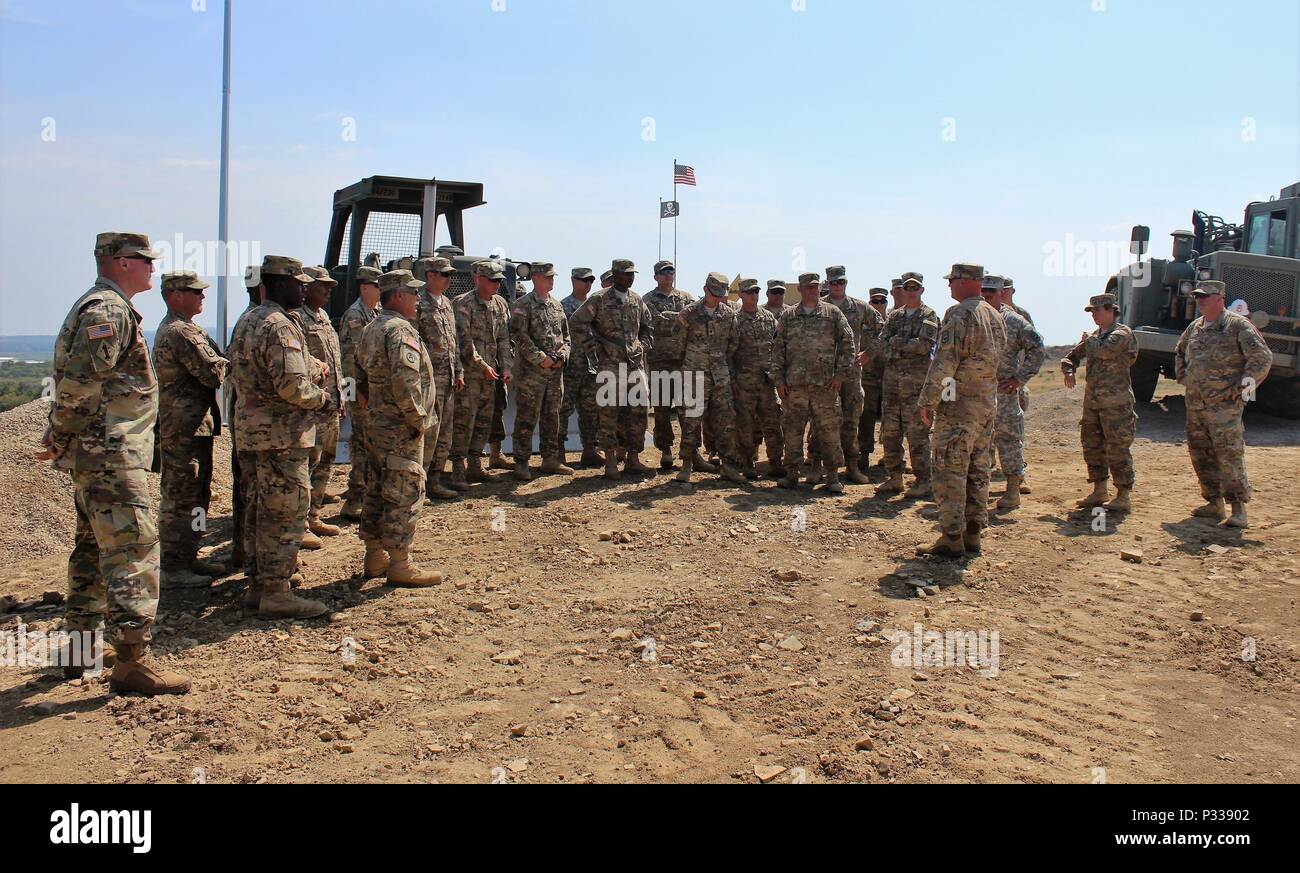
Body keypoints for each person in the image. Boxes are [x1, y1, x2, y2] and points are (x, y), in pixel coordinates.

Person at [41, 232, 190, 694]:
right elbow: (84, 381)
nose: (151, 269)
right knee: (134, 549)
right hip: (110, 452)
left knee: (91, 546)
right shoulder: (107, 309)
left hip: (97, 451)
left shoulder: (106, 306)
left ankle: (79, 647)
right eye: (143, 261)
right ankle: (133, 662)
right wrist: (60, 431)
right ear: (120, 262)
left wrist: (62, 434)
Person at [228, 255, 334, 618]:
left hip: (253, 436)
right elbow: (292, 388)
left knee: (259, 509)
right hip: (282, 437)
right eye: (298, 282)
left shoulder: (247, 320)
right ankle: (277, 590)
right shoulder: (280, 325)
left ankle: (258, 585)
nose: (305, 288)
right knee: (286, 512)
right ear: (280, 284)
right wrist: (323, 398)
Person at [354, 270, 442, 585]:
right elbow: (405, 382)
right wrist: (418, 420)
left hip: (377, 422)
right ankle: (400, 563)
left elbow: (360, 373)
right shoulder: (399, 331)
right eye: (414, 293)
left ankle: (374, 555)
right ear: (399, 295)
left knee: (377, 486)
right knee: (404, 491)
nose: (419, 299)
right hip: (400, 428)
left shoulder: (370, 329)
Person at [917, 263, 1007, 557]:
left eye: (952, 280)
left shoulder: (959, 314)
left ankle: (951, 537)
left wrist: (928, 401)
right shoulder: (995, 314)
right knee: (979, 471)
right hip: (985, 406)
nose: (949, 286)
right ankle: (973, 534)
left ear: (967, 281)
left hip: (958, 407)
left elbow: (945, 362)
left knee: (950, 469)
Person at [1174, 279, 1273, 528]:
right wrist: (1184, 377)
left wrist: (1243, 388)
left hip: (1224, 408)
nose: (1199, 301)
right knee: (1201, 454)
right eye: (1197, 297)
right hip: (1196, 405)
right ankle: (1213, 503)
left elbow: (1262, 358)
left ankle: (1238, 509)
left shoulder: (1237, 325)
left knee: (1228, 454)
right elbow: (1179, 350)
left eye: (1205, 296)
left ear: (1220, 298)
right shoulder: (1195, 327)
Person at [152, 270, 228, 589]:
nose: (202, 296)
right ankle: (172, 566)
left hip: (195, 426)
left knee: (197, 493)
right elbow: (211, 372)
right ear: (175, 295)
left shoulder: (188, 328)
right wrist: (233, 363)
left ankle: (189, 556)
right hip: (182, 428)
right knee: (181, 497)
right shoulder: (179, 332)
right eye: (194, 292)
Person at [569, 259, 655, 479]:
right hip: (609, 366)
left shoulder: (636, 299)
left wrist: (642, 346)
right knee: (608, 413)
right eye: (626, 274)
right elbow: (576, 323)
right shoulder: (599, 299)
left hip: (635, 366)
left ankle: (633, 458)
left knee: (637, 412)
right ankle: (610, 461)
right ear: (615, 275)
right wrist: (595, 348)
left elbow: (648, 327)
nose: (630, 277)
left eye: (632, 274)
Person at [772, 272, 855, 493]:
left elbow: (848, 344)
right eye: (808, 287)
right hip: (795, 387)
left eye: (816, 287)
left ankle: (832, 476)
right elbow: (778, 350)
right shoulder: (789, 316)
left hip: (825, 385)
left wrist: (841, 375)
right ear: (799, 289)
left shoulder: (833, 313)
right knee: (792, 431)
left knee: (828, 431)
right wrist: (778, 381)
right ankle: (792, 474)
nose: (812, 290)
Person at [1061, 293, 1139, 511]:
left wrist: (1089, 340)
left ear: (1110, 310)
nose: (1094, 315)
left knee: (1118, 448)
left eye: (1097, 310)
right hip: (1093, 403)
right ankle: (1099, 490)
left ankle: (1123, 495)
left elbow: (1105, 351)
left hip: (1116, 404)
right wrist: (1069, 370)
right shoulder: (1095, 336)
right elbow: (1071, 356)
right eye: (1091, 311)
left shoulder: (1122, 333)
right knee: (1092, 446)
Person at [979, 275, 1044, 510]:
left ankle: (1013, 489)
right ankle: (980, 490)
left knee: (1009, 439)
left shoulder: (1015, 321)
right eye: (983, 291)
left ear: (1001, 293)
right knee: (980, 441)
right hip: (978, 392)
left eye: (991, 292)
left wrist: (1019, 378)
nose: (986, 296)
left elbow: (1037, 348)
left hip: (1004, 392)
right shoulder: (974, 317)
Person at [674, 272, 745, 484]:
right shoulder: (688, 314)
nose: (716, 298)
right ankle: (687, 465)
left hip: (720, 376)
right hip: (694, 374)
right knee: (691, 421)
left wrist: (723, 366)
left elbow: (733, 344)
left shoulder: (729, 315)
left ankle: (728, 466)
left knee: (726, 421)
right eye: (713, 293)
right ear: (705, 289)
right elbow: (678, 344)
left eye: (720, 294)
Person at [450, 260, 513, 486]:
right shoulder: (463, 303)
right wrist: (481, 366)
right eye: (493, 280)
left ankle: (475, 465)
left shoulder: (500, 305)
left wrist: (506, 366)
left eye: (499, 281)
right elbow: (463, 342)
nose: (497, 285)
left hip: (491, 375)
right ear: (479, 279)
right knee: (464, 421)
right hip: (471, 375)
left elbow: (504, 339)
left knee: (485, 421)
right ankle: (458, 467)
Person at [877, 272, 939, 497]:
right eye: (907, 288)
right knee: (891, 433)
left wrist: (897, 342)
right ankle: (894, 478)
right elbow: (882, 343)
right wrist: (904, 344)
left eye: (915, 288)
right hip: (892, 385)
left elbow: (924, 347)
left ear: (921, 290)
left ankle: (924, 481)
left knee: (918, 435)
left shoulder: (929, 315)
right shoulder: (895, 317)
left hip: (916, 387)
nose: (911, 291)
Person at [820, 265, 883, 485]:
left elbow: (883, 329)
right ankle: (820, 467)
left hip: (852, 374)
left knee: (851, 420)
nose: (838, 286)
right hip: (825, 375)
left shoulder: (859, 307)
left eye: (842, 282)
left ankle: (852, 466)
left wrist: (870, 352)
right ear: (827, 283)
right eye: (834, 282)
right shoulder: (819, 307)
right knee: (825, 421)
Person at [509, 262, 573, 480]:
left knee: (552, 417)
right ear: (535, 278)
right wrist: (540, 358)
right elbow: (519, 335)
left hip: (555, 375)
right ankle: (521, 462)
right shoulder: (522, 304)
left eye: (552, 276)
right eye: (547, 276)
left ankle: (550, 459)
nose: (551, 280)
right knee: (527, 418)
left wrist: (562, 356)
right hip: (531, 374)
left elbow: (566, 336)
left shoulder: (556, 306)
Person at [298, 266, 345, 535]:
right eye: (322, 286)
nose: (327, 291)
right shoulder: (298, 319)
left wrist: (341, 397)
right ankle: (301, 522)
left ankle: (314, 514)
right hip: (312, 406)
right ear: (307, 287)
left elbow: (335, 362)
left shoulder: (324, 317)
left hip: (331, 401)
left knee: (327, 459)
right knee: (308, 463)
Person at [413, 256, 463, 499]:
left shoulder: (446, 304)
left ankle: (435, 480)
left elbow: (454, 343)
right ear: (430, 275)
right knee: (428, 433)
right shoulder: (418, 303)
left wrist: (459, 371)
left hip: (450, 380)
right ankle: (418, 484)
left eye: (449, 274)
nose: (448, 279)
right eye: (444, 274)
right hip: (428, 383)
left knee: (445, 433)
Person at [338, 266, 383, 519]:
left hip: (372, 390)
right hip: (360, 390)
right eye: (376, 286)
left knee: (371, 443)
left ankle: (366, 492)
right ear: (364, 287)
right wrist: (359, 394)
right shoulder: (355, 315)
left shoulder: (374, 313)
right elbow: (351, 360)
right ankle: (355, 498)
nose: (380, 291)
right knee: (361, 443)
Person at [643, 260, 695, 469]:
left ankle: (689, 452)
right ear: (655, 276)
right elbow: (653, 322)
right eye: (663, 273)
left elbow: (693, 319)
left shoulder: (686, 297)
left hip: (684, 361)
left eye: (670, 272)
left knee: (687, 408)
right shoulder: (647, 300)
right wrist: (678, 319)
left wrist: (672, 319)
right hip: (660, 362)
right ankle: (665, 450)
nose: (667, 276)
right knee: (662, 410)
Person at [733, 278, 785, 479]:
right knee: (745, 425)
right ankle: (746, 463)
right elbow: (729, 352)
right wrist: (732, 380)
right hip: (744, 382)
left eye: (756, 291)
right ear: (740, 294)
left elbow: (779, 345)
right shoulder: (734, 320)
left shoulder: (768, 318)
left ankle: (775, 462)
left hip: (767, 382)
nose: (753, 295)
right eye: (749, 292)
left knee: (772, 423)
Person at [560, 267, 602, 466]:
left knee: (590, 410)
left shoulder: (596, 306)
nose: (588, 284)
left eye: (590, 280)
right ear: (573, 281)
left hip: (591, 367)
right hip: (570, 367)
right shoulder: (563, 306)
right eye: (583, 280)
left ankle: (589, 450)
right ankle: (557, 452)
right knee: (563, 409)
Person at [857, 289, 890, 467]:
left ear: (886, 302)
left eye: (881, 301)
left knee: (891, 418)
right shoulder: (863, 326)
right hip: (869, 378)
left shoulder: (893, 322)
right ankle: (864, 454)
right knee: (866, 418)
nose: (878, 305)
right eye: (874, 302)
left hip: (889, 378)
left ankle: (890, 455)